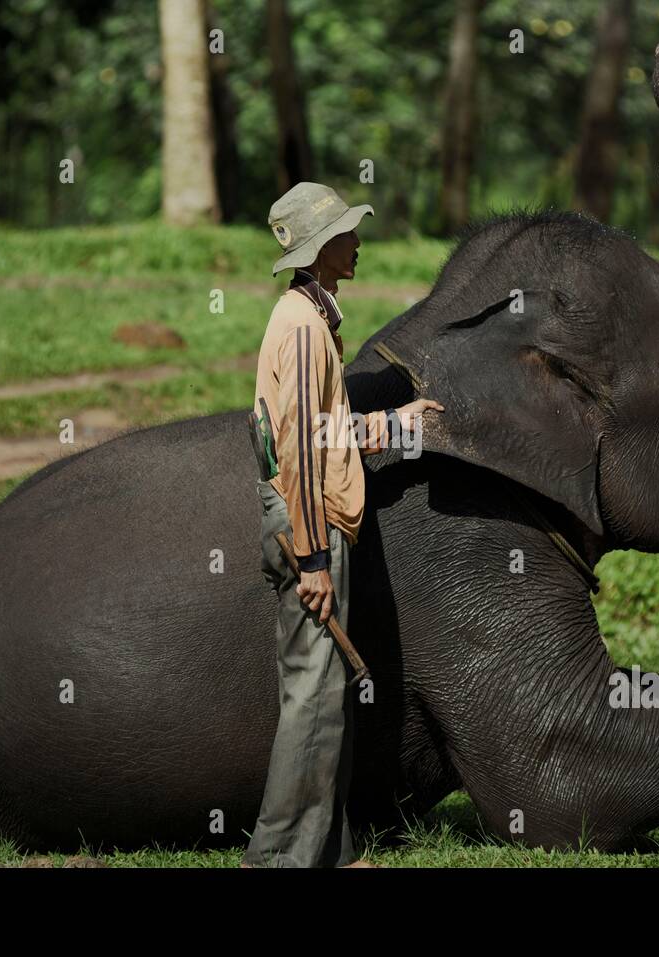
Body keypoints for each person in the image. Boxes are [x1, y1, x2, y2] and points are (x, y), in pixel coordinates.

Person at [242, 182, 443, 868]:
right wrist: (312, 560)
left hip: (318, 516)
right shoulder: (299, 326)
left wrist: (395, 423)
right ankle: (279, 859)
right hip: (312, 522)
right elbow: (297, 448)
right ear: (321, 249)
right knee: (312, 699)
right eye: (348, 233)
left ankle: (331, 850)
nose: (358, 241)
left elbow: (325, 429)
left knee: (327, 697)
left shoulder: (313, 317)